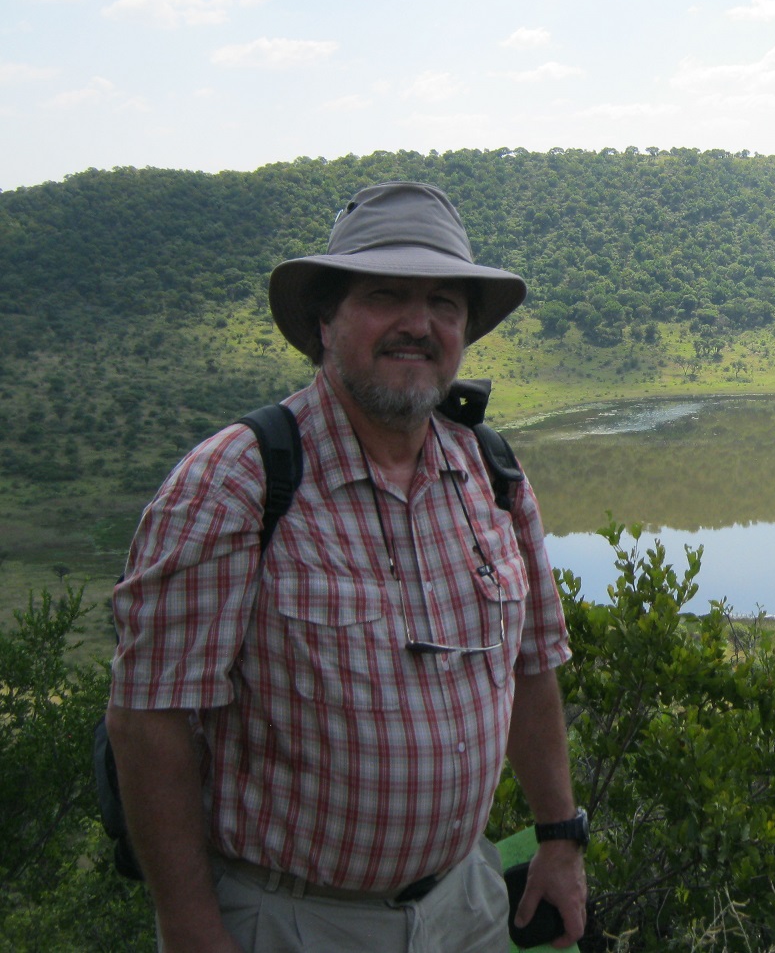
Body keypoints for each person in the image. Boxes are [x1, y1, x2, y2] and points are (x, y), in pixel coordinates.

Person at [106, 181, 587, 953]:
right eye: (385, 296)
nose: (417, 324)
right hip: (292, 921)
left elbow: (533, 663)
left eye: (443, 302)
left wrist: (559, 838)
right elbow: (148, 719)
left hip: (466, 902)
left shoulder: (490, 470)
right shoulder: (236, 482)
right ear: (325, 320)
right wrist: (191, 927)